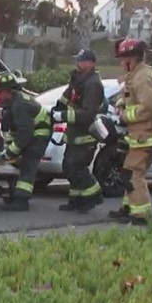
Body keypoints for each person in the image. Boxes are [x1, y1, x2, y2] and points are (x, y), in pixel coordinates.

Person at [109, 39, 152, 226]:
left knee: (134, 173)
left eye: (122, 59)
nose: (120, 63)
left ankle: (141, 214)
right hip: (142, 134)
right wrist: (119, 104)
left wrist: (125, 116)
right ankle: (128, 208)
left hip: (146, 135)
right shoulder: (136, 75)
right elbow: (126, 94)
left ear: (131, 59)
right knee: (129, 171)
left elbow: (147, 108)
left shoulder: (142, 77)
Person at [50, 49, 107, 213]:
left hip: (85, 135)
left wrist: (63, 115)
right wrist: (57, 108)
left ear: (91, 63)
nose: (78, 63)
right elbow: (67, 97)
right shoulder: (78, 79)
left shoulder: (93, 84)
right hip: (74, 134)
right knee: (68, 167)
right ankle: (75, 199)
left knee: (77, 167)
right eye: (78, 60)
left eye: (81, 61)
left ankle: (93, 196)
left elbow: (88, 114)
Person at [0, 72, 52, 212]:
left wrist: (10, 152)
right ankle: (16, 196)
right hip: (33, 135)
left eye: (0, 92)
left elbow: (25, 134)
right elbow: (14, 128)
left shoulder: (20, 105)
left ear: (7, 91)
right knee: (21, 165)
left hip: (38, 136)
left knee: (28, 166)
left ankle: (22, 201)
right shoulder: (14, 102)